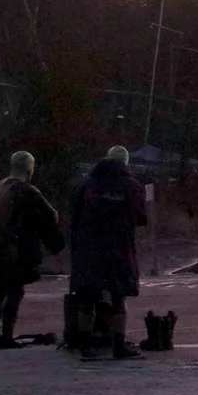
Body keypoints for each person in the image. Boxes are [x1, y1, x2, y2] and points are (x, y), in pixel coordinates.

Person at [68, 145, 148, 361]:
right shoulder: (132, 187)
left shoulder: (86, 185)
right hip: (118, 251)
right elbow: (141, 218)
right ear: (126, 163)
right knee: (118, 298)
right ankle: (118, 346)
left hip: (88, 251)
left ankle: (85, 346)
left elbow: (73, 219)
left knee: (87, 299)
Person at [0, 151, 62, 347]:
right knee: (15, 289)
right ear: (30, 169)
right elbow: (52, 215)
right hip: (12, 246)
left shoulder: (1, 185)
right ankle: (8, 336)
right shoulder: (29, 190)